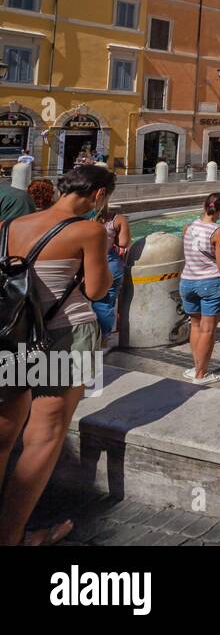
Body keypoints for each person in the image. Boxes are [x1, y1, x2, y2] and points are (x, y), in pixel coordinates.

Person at [0, 165, 113, 546]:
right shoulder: (89, 229)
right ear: (98, 195)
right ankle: (14, 536)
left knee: (3, 435)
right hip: (65, 333)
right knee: (45, 436)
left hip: (14, 332)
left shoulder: (11, 226)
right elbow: (97, 291)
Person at [180, 193, 220, 384]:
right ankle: (201, 374)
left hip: (187, 281)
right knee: (208, 330)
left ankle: (196, 368)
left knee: (194, 325)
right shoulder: (218, 231)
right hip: (210, 283)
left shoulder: (188, 227)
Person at [89, 203, 130, 336]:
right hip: (110, 264)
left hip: (86, 263)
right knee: (106, 303)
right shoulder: (117, 219)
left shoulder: (80, 219)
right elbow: (124, 243)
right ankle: (103, 338)